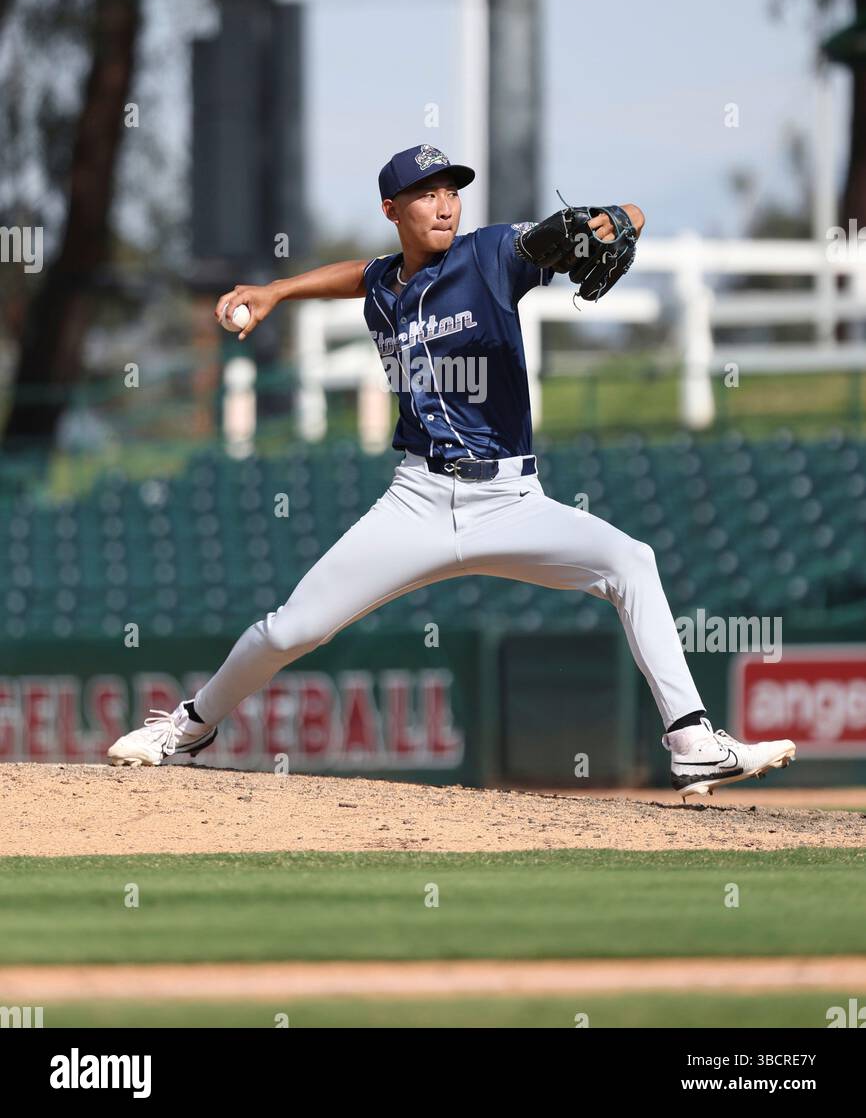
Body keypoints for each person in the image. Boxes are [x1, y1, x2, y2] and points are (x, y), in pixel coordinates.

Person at [108, 144, 796, 798]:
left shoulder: (493, 254)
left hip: (511, 499)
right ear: (391, 210)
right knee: (291, 630)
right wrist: (277, 291)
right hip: (418, 499)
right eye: (426, 194)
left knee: (632, 561)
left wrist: (619, 221)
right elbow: (358, 274)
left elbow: (580, 231)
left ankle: (692, 741)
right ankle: (189, 728)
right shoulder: (384, 284)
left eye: (451, 192)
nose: (445, 206)